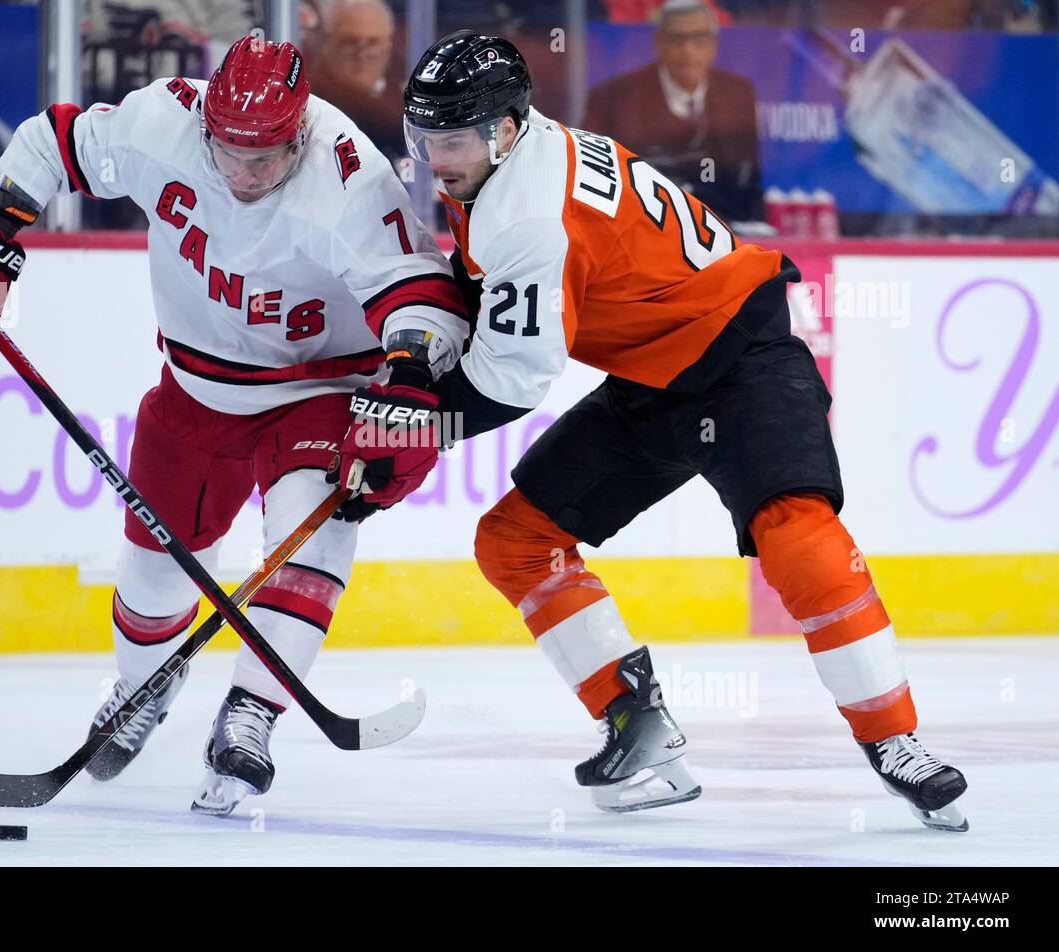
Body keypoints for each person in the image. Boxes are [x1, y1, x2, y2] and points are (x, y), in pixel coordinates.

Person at [358, 29, 969, 830]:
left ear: (506, 128)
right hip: (654, 375)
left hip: (742, 355)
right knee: (513, 540)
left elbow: (512, 380)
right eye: (423, 139)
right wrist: (411, 386)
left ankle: (898, 743)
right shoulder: (505, 161)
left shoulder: (529, 211)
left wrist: (410, 433)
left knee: (795, 531)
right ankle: (636, 723)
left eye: (454, 140)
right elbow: (489, 318)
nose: (436, 157)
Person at [0, 37, 468, 815]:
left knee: (312, 536)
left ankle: (251, 713)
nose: (245, 172)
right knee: (152, 570)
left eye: (267, 155)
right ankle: (144, 688)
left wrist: (409, 386)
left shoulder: (348, 177)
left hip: (319, 389)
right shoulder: (161, 122)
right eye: (229, 149)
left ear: (302, 133)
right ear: (206, 121)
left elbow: (420, 294)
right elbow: (53, 140)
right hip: (197, 389)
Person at [582, 0, 763, 224]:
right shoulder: (612, 98)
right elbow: (594, 180)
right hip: (639, 223)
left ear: (714, 46)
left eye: (699, 39)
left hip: (721, 224)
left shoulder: (737, 93)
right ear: (659, 44)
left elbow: (749, 178)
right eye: (677, 39)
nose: (688, 50)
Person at [301, 0, 406, 164]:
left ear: (388, 46)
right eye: (350, 42)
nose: (362, 54)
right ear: (326, 43)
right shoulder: (308, 105)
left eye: (373, 42)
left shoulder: (405, 106)